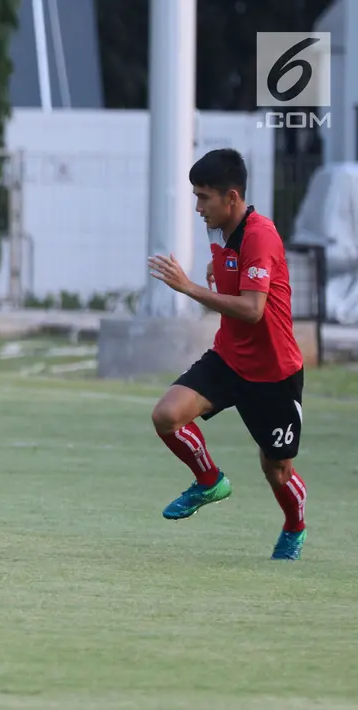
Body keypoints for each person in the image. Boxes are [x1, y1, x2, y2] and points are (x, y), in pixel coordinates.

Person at [147, 148, 307, 560]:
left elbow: (254, 310)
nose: (198, 207)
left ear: (231, 197)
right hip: (229, 358)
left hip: (274, 373)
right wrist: (216, 275)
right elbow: (232, 277)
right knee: (166, 415)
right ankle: (209, 480)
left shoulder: (261, 234)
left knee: (277, 470)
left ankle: (294, 525)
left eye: (204, 197)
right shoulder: (219, 229)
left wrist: (191, 288)